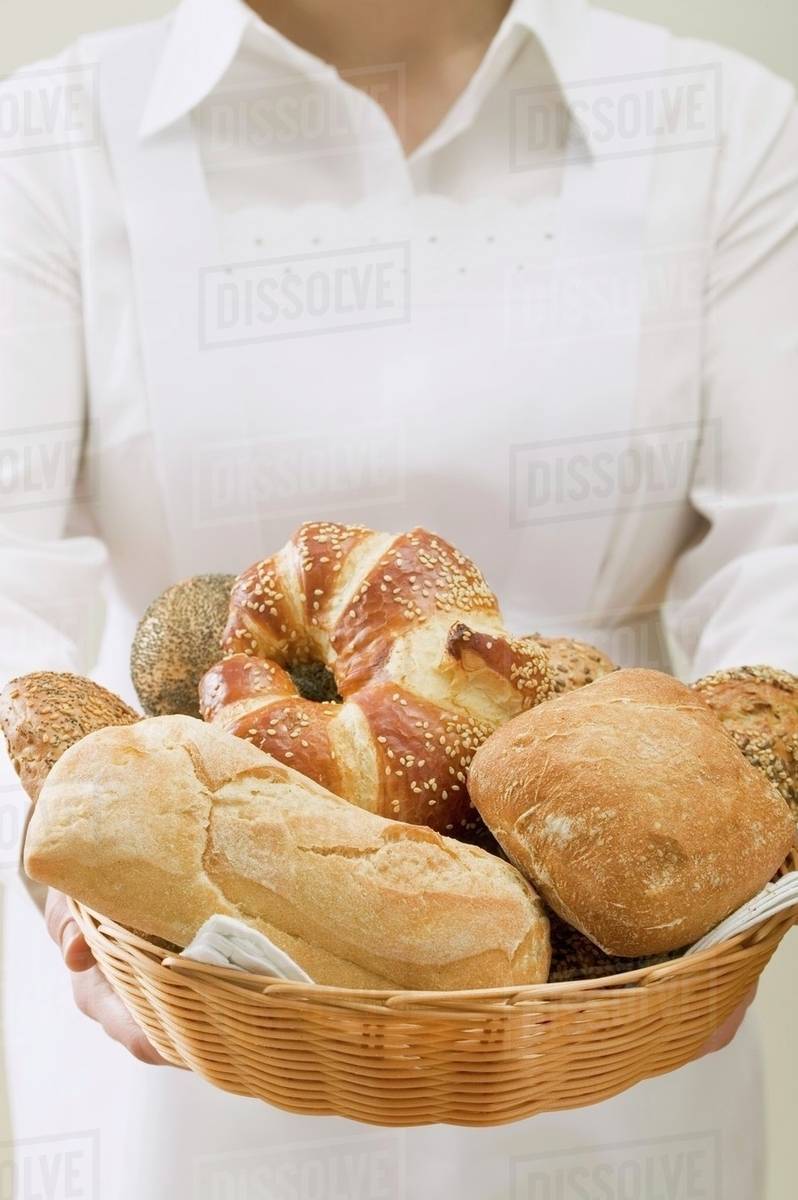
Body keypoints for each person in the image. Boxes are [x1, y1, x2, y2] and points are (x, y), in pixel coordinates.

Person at [1, 0, 796, 1196]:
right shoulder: (54, 138)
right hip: (187, 1022)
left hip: (620, 1001)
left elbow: (783, 552)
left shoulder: (725, 123)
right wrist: (66, 881)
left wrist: (737, 896)